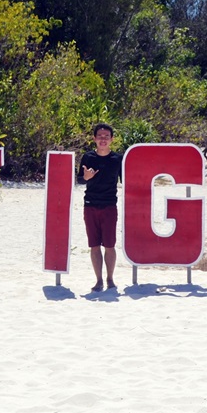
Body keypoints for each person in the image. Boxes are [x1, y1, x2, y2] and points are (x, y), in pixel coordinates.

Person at [77, 122, 123, 292]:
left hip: (110, 206)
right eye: (100, 136)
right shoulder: (88, 157)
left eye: (106, 136)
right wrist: (86, 177)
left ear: (111, 139)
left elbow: (127, 179)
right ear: (94, 138)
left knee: (109, 245)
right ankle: (98, 281)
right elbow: (79, 179)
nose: (103, 139)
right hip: (90, 205)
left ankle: (110, 279)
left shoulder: (118, 159)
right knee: (94, 245)